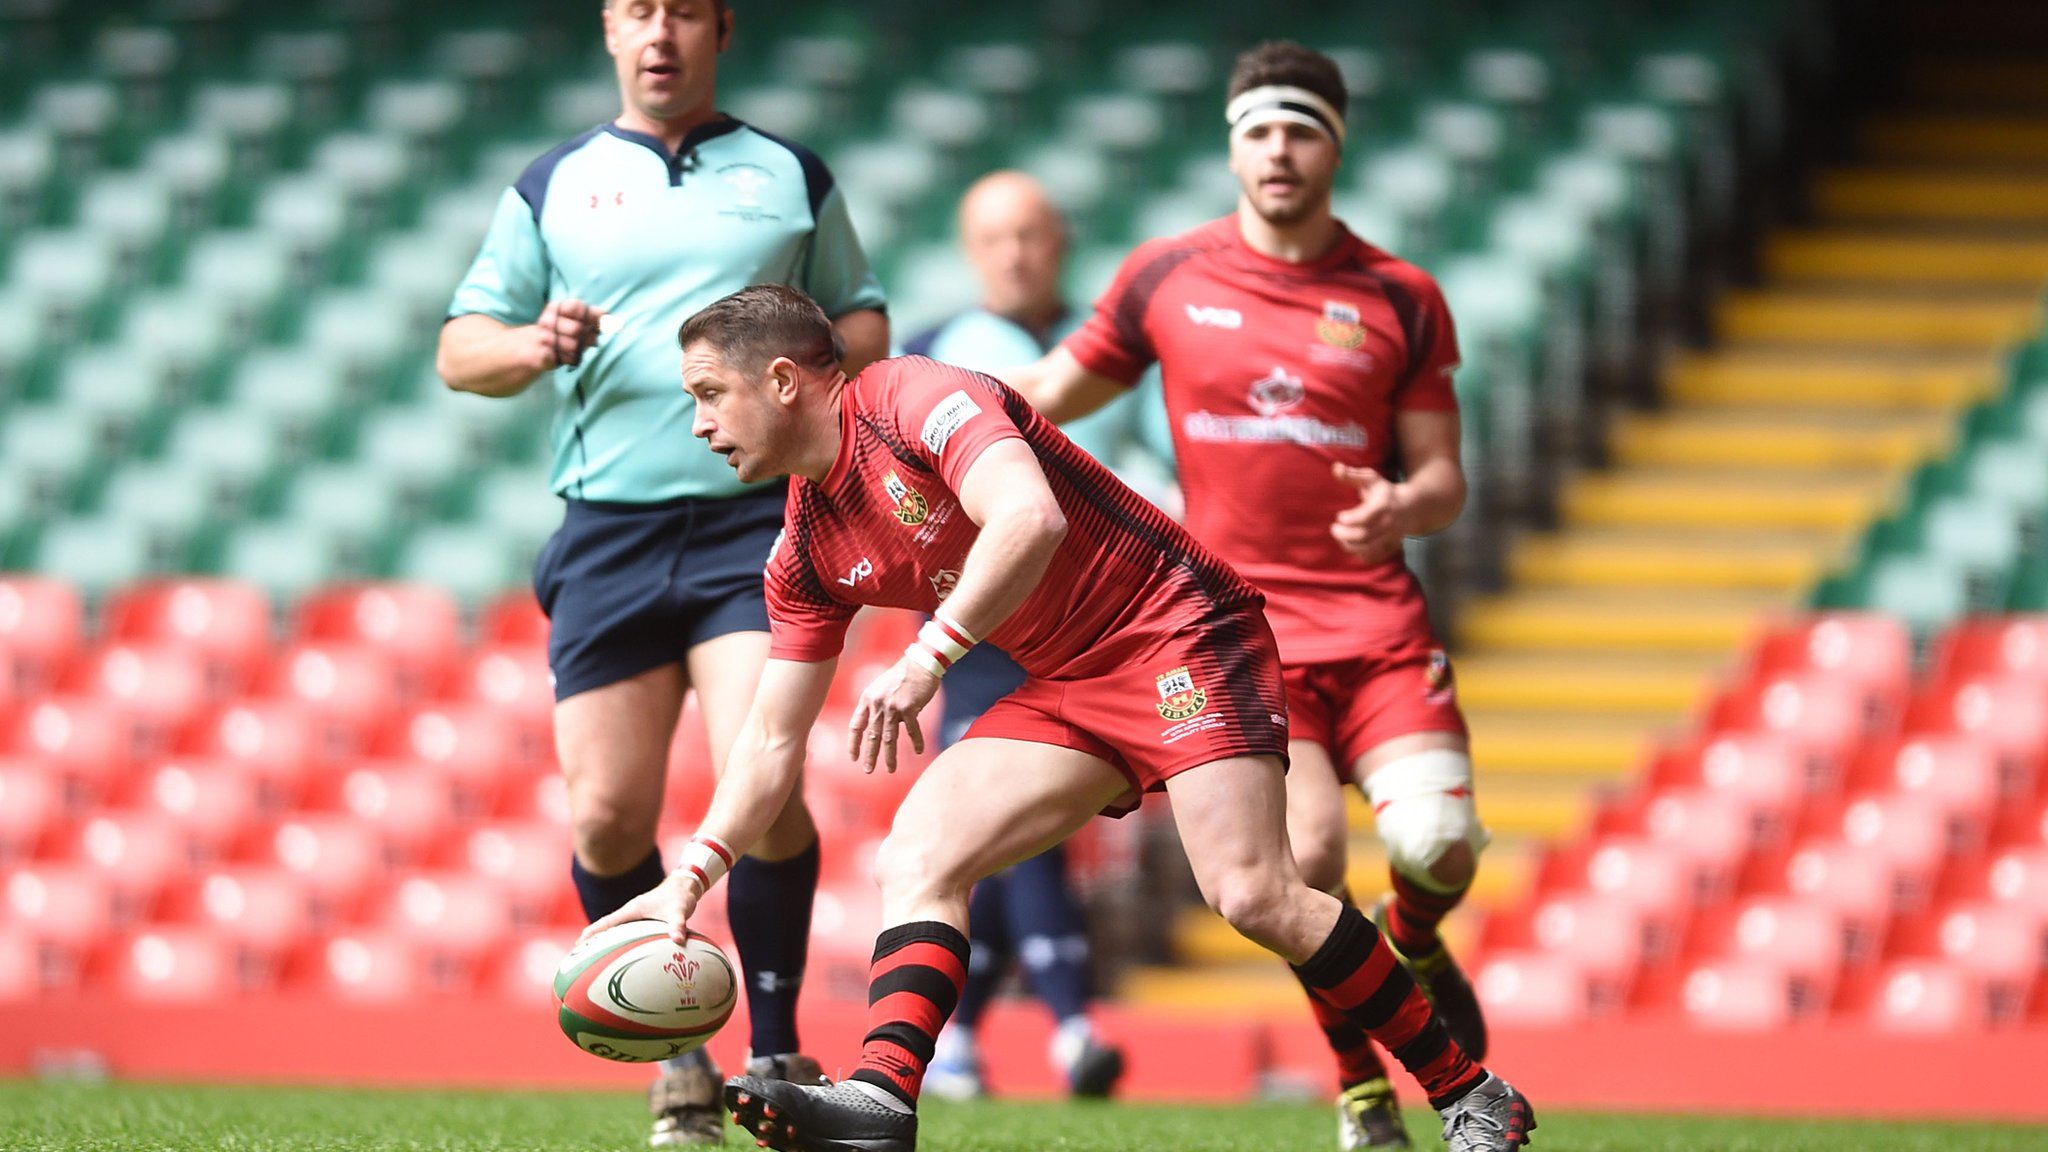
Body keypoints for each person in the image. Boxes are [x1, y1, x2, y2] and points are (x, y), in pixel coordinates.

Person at [587, 284, 1535, 1152]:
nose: (700, 422)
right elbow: (770, 738)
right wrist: (690, 881)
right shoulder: (804, 542)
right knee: (917, 854)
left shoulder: (913, 393)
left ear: (784, 380)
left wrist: (928, 658)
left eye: (709, 393)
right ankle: (882, 1098)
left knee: (1253, 894)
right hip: (1070, 676)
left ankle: (1470, 1091)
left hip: (1178, 626)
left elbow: (1028, 519)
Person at [1002, 41, 1490, 1150]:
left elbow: (1446, 482)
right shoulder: (1165, 276)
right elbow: (1042, 398)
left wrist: (1401, 507)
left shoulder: (1399, 298)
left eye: (1301, 127)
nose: (1278, 148)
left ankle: (1413, 938)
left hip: (1373, 625)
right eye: (1259, 128)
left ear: (1334, 146)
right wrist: (936, 418)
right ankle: (1359, 1087)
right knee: (1304, 864)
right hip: (1239, 635)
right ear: (1232, 147)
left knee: (1435, 851)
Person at [434, 1, 887, 1145]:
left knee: (761, 780)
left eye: (684, 8)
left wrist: (797, 376)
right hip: (608, 533)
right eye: (637, 7)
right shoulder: (553, 183)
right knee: (602, 818)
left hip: (753, 525)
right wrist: (532, 342)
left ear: (719, 29)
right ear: (606, 28)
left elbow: (867, 322)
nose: (660, 30)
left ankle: (777, 1045)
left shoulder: (790, 175)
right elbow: (458, 349)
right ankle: (675, 1047)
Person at [900, 171, 1172, 1101]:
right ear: (970, 250)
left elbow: (1171, 459)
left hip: (1105, 614)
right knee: (1013, 822)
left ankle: (963, 1040)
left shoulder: (1115, 349)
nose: (1015, 254)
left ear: (1060, 240)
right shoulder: (931, 354)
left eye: (1031, 235)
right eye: (995, 238)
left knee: (1026, 827)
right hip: (991, 618)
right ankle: (1070, 1026)